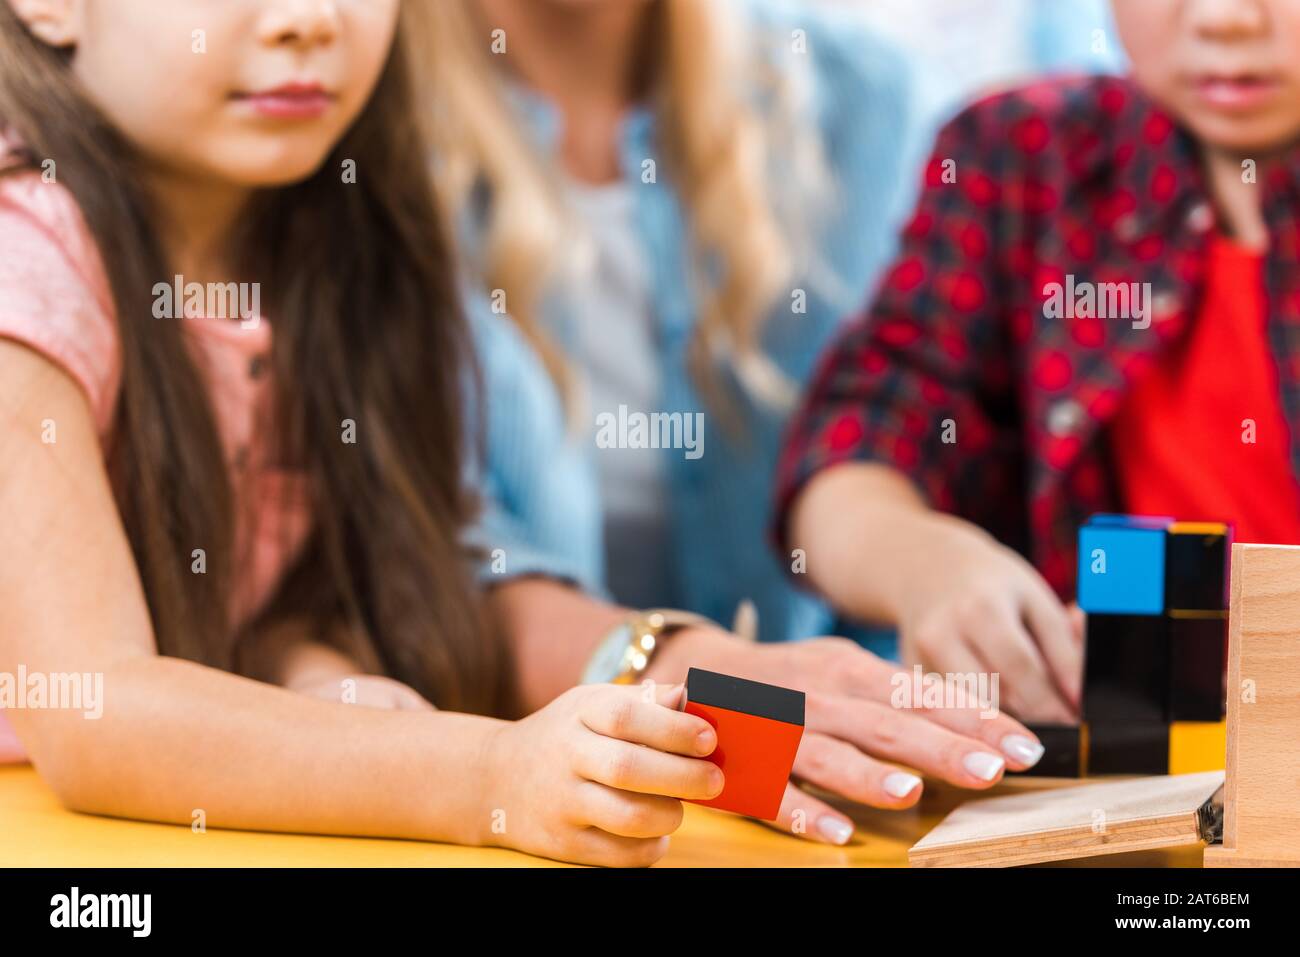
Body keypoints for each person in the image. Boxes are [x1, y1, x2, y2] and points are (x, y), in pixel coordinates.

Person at [776, 0, 1300, 723]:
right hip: (1106, 773)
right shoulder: (1015, 151)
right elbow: (857, 436)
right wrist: (925, 565)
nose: (1224, 18)